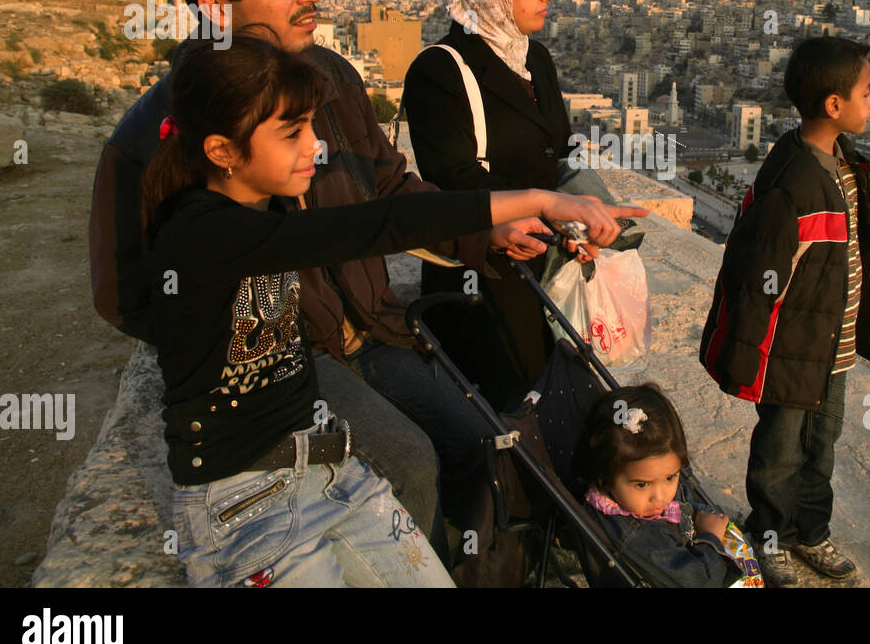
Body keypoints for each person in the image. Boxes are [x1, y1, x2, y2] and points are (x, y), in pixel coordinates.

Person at [88, 0, 540, 557]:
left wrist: (485, 234)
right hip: (287, 366)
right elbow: (125, 295)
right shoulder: (158, 132)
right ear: (217, 7)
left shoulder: (329, 80)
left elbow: (387, 190)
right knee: (408, 461)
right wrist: (245, 339)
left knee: (479, 439)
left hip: (373, 329)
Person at [147, 36, 641, 586]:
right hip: (245, 505)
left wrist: (519, 222)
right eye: (293, 133)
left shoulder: (265, 206)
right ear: (221, 151)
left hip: (331, 470)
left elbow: (396, 204)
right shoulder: (202, 235)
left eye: (313, 127)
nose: (314, 146)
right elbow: (376, 225)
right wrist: (539, 199)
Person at [698, 36, 870, 587]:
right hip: (791, 349)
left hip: (833, 342)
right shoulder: (792, 183)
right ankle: (771, 535)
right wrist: (745, 357)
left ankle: (811, 531)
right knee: (779, 451)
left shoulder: (842, 164)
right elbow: (755, 277)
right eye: (867, 91)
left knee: (822, 444)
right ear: (834, 105)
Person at [402, 0, 574, 410]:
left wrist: (580, 211)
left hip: (545, 264)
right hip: (484, 277)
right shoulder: (440, 69)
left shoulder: (535, 58)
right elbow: (452, 176)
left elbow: (557, 149)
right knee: (503, 412)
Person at [572, 384, 760, 588]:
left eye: (671, 477)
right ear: (605, 479)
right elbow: (699, 583)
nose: (660, 497)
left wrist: (698, 514)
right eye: (642, 485)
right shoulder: (641, 538)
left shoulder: (637, 499)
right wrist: (710, 538)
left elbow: (683, 498)